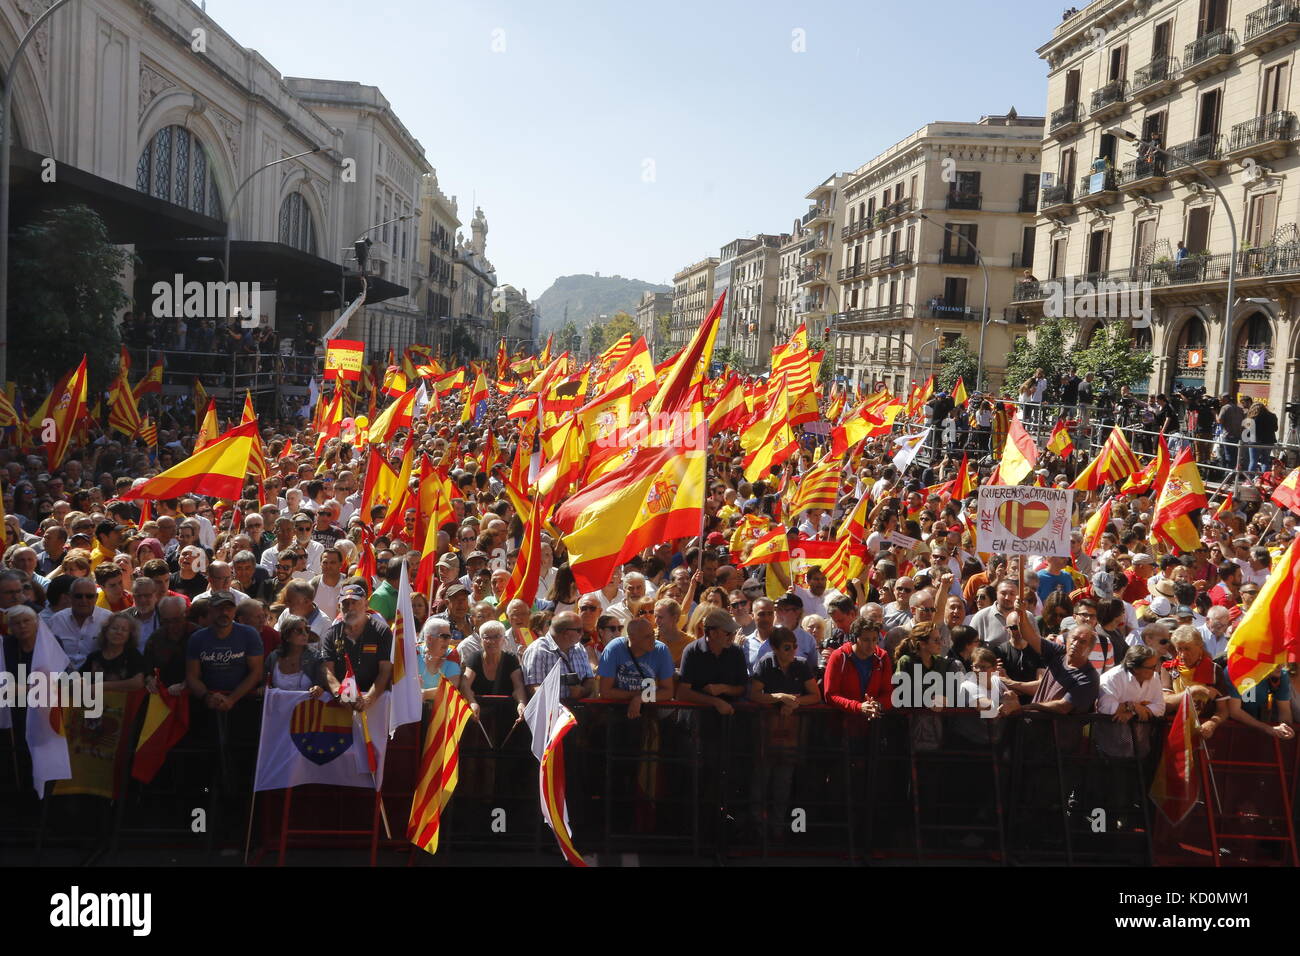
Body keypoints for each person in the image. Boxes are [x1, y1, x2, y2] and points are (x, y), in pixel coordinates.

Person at [184, 590, 264, 712]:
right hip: (208, 704)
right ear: (210, 610)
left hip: (244, 702)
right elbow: (192, 676)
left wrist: (232, 699)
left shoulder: (249, 635)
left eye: (229, 608)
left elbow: (256, 673)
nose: (224, 612)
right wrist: (207, 697)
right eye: (219, 608)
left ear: (235, 610)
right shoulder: (197, 638)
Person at [319, 583, 393, 709]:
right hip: (340, 705)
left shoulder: (382, 632)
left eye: (355, 602)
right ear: (339, 607)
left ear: (366, 605)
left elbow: (385, 671)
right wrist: (338, 692)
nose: (350, 607)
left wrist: (369, 698)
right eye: (345, 603)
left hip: (375, 704)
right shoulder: (331, 634)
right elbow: (327, 670)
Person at [597, 616, 674, 718]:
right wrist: (637, 696)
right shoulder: (614, 649)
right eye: (647, 637)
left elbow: (668, 692)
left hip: (649, 711)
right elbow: (605, 692)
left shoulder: (661, 650)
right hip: (617, 712)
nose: (653, 640)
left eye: (653, 635)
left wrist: (640, 698)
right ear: (632, 638)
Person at [675, 608, 747, 715]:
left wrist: (724, 688)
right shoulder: (692, 651)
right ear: (713, 633)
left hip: (728, 720)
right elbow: (682, 693)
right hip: (696, 721)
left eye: (734, 632)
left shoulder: (736, 651)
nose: (733, 637)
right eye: (728, 633)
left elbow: (743, 688)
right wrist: (715, 702)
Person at [823, 617, 892, 717]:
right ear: (854, 638)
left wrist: (878, 704)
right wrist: (858, 707)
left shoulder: (882, 657)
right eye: (865, 640)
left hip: (874, 725)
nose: (871, 645)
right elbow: (830, 695)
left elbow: (888, 693)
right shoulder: (839, 656)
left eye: (874, 640)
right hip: (842, 723)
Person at [460, 620, 527, 721]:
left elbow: (518, 686)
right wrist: (472, 702)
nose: (492, 641)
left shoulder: (511, 659)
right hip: (479, 715)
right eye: (487, 637)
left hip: (506, 714)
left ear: (504, 639)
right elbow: (465, 685)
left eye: (496, 636)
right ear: (481, 641)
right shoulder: (474, 658)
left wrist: (521, 703)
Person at [521, 611, 595, 700]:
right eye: (579, 630)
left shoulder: (579, 648)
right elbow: (534, 688)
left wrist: (581, 691)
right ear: (566, 633)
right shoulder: (538, 650)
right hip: (550, 712)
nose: (582, 633)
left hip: (578, 709)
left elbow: (590, 680)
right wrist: (560, 707)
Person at [47, 577, 111, 668]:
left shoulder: (108, 619)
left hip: (96, 676)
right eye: (78, 596)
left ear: (96, 597)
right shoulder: (56, 620)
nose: (84, 600)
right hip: (61, 675)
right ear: (70, 597)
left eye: (89, 596)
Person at [82, 612, 147, 692]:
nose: (119, 632)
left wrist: (103, 686)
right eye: (114, 628)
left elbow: (138, 682)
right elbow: (81, 681)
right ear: (106, 631)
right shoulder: (94, 657)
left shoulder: (133, 655)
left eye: (124, 630)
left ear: (130, 635)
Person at [263, 615, 325, 693]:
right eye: (299, 630)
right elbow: (264, 683)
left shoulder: (316, 658)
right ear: (286, 636)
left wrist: (318, 688)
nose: (304, 633)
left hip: (304, 704)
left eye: (307, 629)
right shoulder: (273, 658)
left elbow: (321, 684)